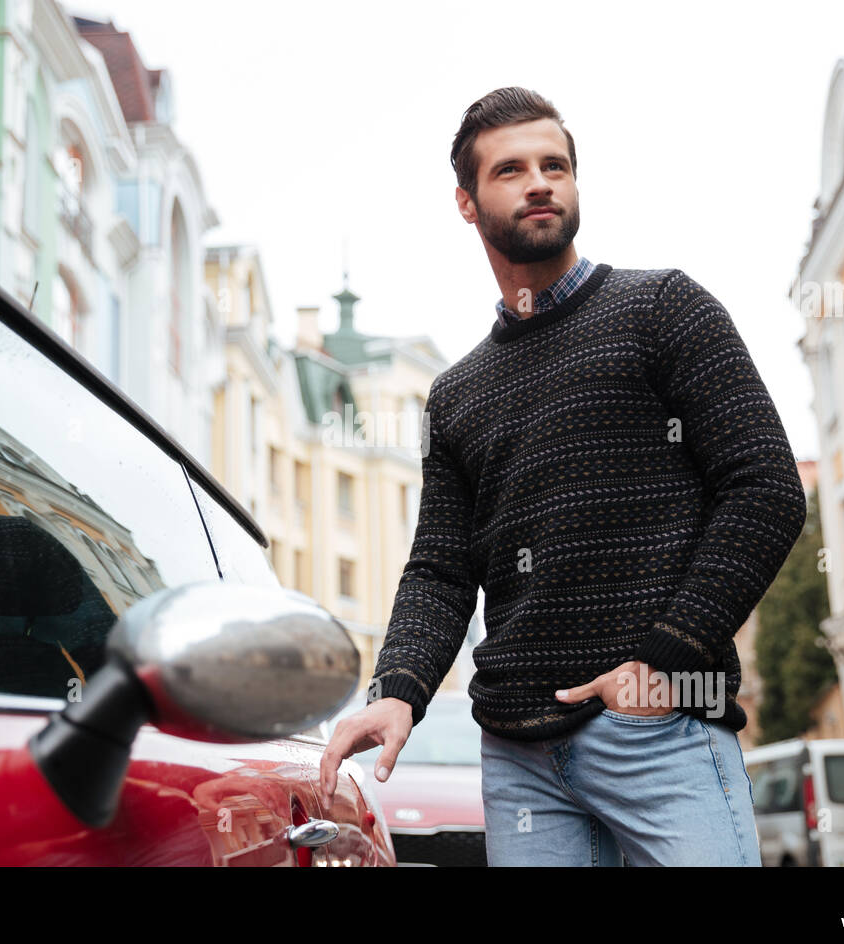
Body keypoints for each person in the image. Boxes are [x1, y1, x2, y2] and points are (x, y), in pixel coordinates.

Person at [318, 87, 806, 866]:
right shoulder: (456, 393)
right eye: (510, 170)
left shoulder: (664, 308)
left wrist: (665, 660)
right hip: (519, 757)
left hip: (658, 730)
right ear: (467, 202)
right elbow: (441, 569)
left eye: (555, 165)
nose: (540, 182)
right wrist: (398, 689)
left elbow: (765, 489)